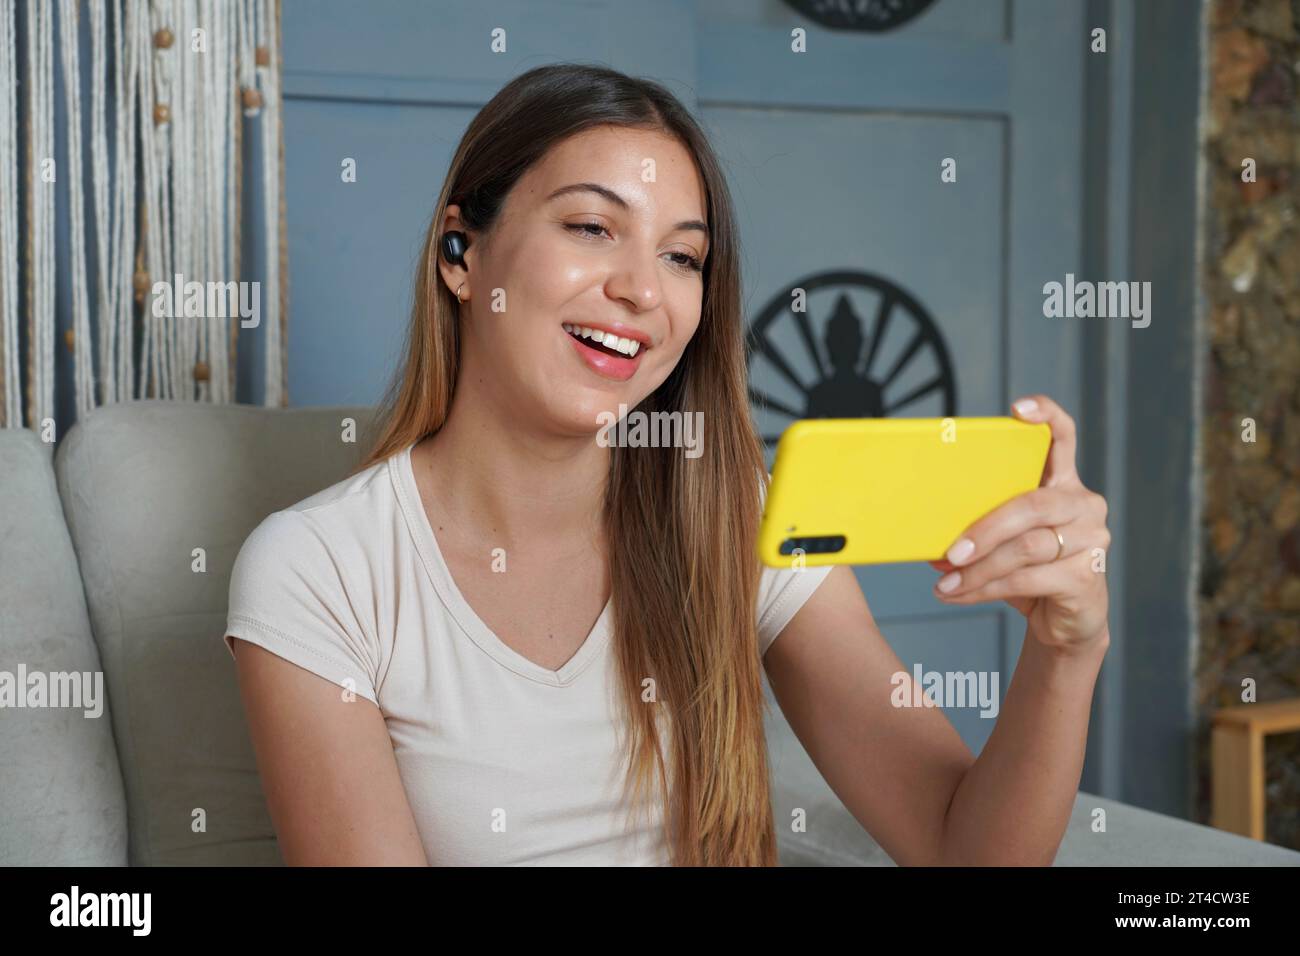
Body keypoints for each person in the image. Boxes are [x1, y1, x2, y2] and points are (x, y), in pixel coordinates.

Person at [223, 63, 1111, 867]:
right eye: (591, 226)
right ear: (463, 253)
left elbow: (967, 850)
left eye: (682, 256)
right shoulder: (320, 569)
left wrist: (1065, 650)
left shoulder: (742, 519)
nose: (643, 292)